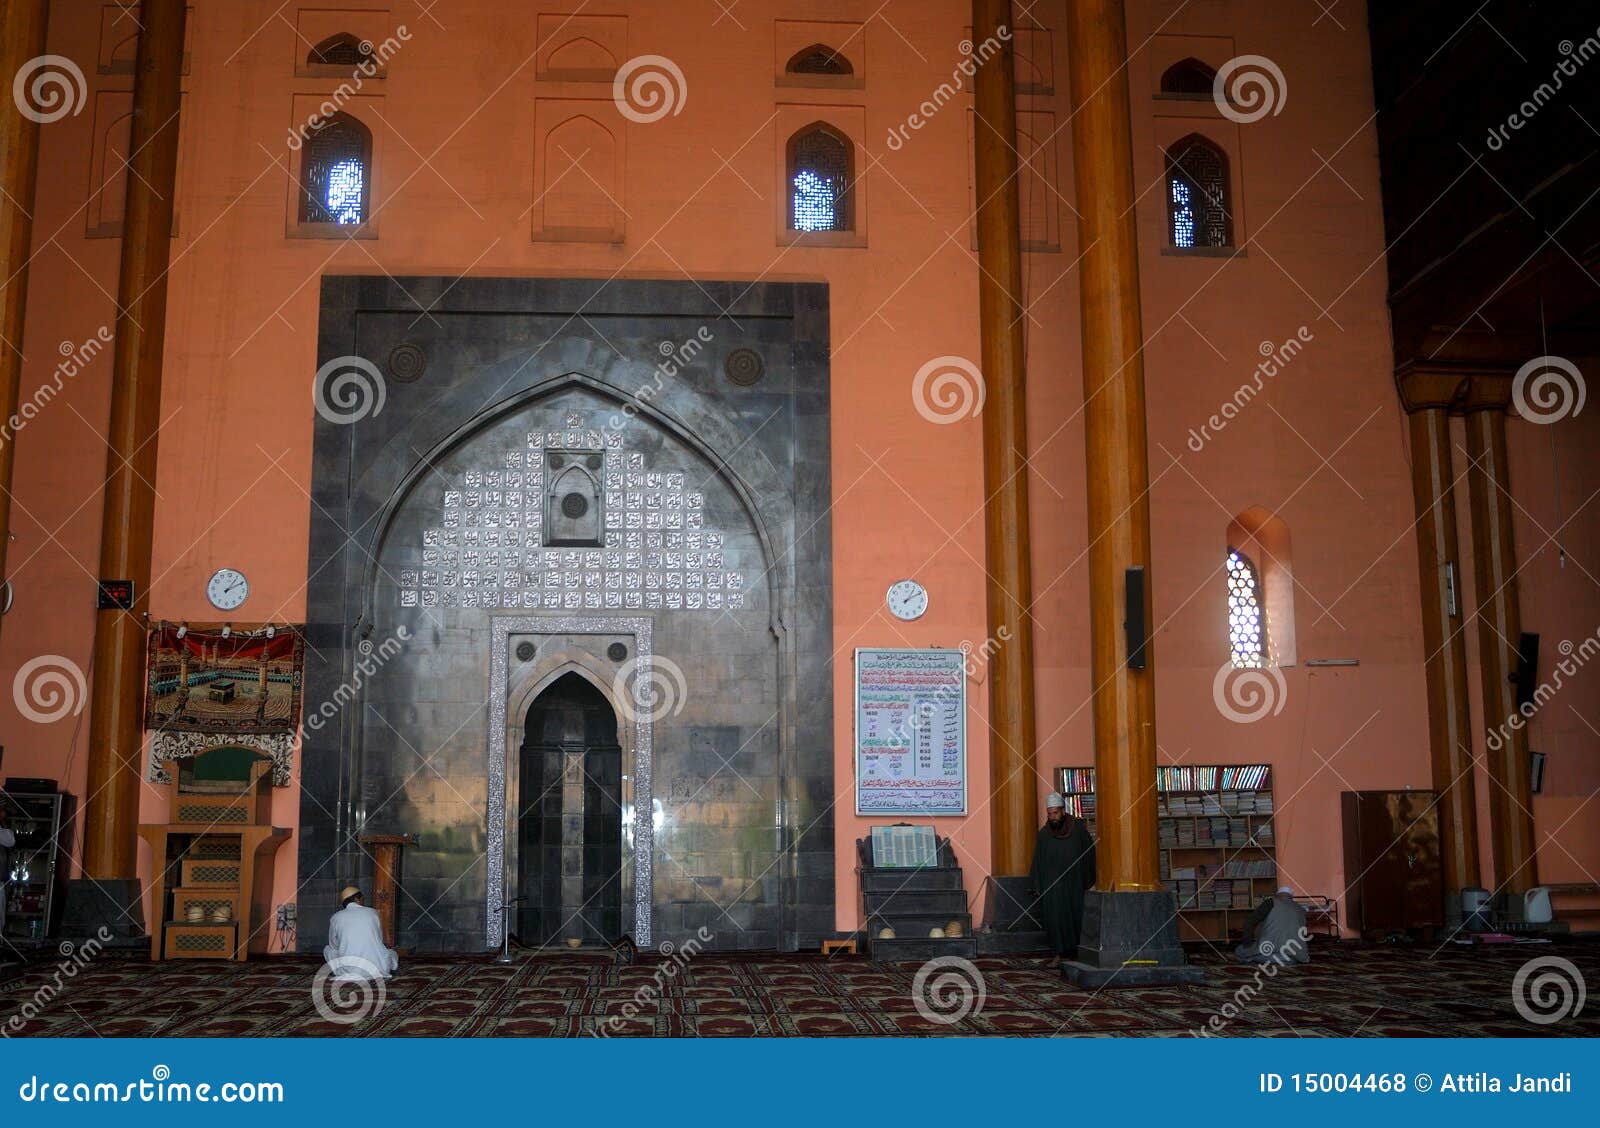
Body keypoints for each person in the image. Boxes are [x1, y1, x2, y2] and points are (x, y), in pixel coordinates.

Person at [1028, 792, 1096, 958]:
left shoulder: (1078, 829)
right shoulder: (1044, 834)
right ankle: (1057, 956)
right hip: (1054, 889)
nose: (1053, 817)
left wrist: (1091, 880)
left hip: (1075, 885)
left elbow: (1090, 855)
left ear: (1063, 811)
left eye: (1055, 813)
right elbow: (1038, 860)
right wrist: (1037, 885)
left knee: (1076, 919)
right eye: (1050, 814)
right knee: (1055, 922)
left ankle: (1078, 954)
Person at [322, 885, 398, 980]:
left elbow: (333, 944)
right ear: (357, 899)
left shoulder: (336, 917)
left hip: (349, 968)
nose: (363, 901)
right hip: (377, 967)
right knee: (391, 952)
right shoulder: (373, 912)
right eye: (362, 899)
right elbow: (379, 939)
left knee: (328, 950)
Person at [1235, 885, 1309, 965]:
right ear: (1291, 897)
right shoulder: (1301, 908)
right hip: (1295, 956)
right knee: (1289, 958)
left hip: (1268, 951)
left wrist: (1247, 944)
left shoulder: (1270, 902)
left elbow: (1249, 922)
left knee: (1239, 950)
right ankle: (1283, 960)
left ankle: (1254, 959)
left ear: (1277, 895)